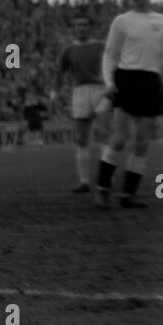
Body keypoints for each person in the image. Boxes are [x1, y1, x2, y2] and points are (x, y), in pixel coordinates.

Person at [95, 0, 163, 209]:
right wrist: (109, 82)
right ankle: (103, 186)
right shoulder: (122, 21)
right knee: (120, 136)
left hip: (151, 80)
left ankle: (128, 195)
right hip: (127, 77)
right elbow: (110, 54)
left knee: (142, 141)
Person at [58, 14, 107, 193]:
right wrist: (55, 93)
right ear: (73, 28)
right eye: (77, 24)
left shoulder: (101, 46)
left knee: (105, 133)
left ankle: (105, 180)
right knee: (81, 137)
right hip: (79, 91)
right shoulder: (68, 50)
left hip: (100, 90)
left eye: (85, 24)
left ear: (90, 27)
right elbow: (60, 73)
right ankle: (84, 181)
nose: (81, 27)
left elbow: (113, 65)